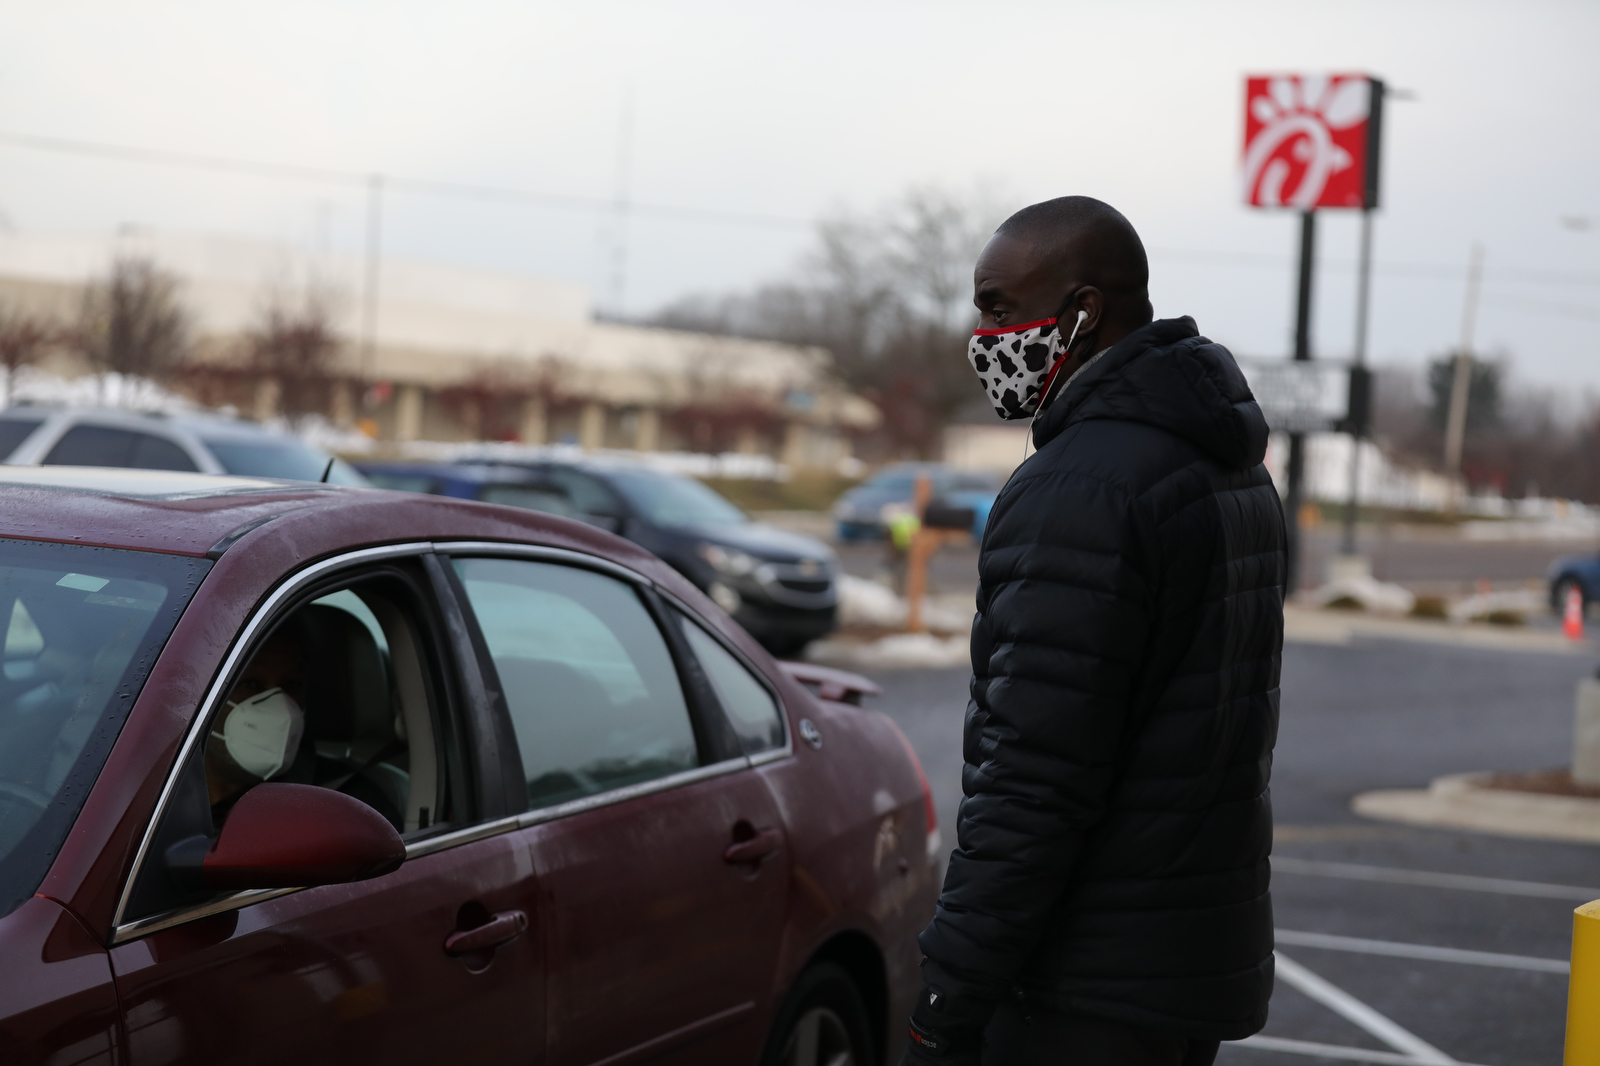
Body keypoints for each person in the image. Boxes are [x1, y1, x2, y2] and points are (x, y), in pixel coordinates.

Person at [905, 197, 1285, 1065]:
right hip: (1181, 970)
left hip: (1078, 984)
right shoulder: (1226, 465)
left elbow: (1034, 779)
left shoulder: (1080, 488)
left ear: (1081, 311)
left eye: (999, 308)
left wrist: (946, 994)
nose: (984, 336)